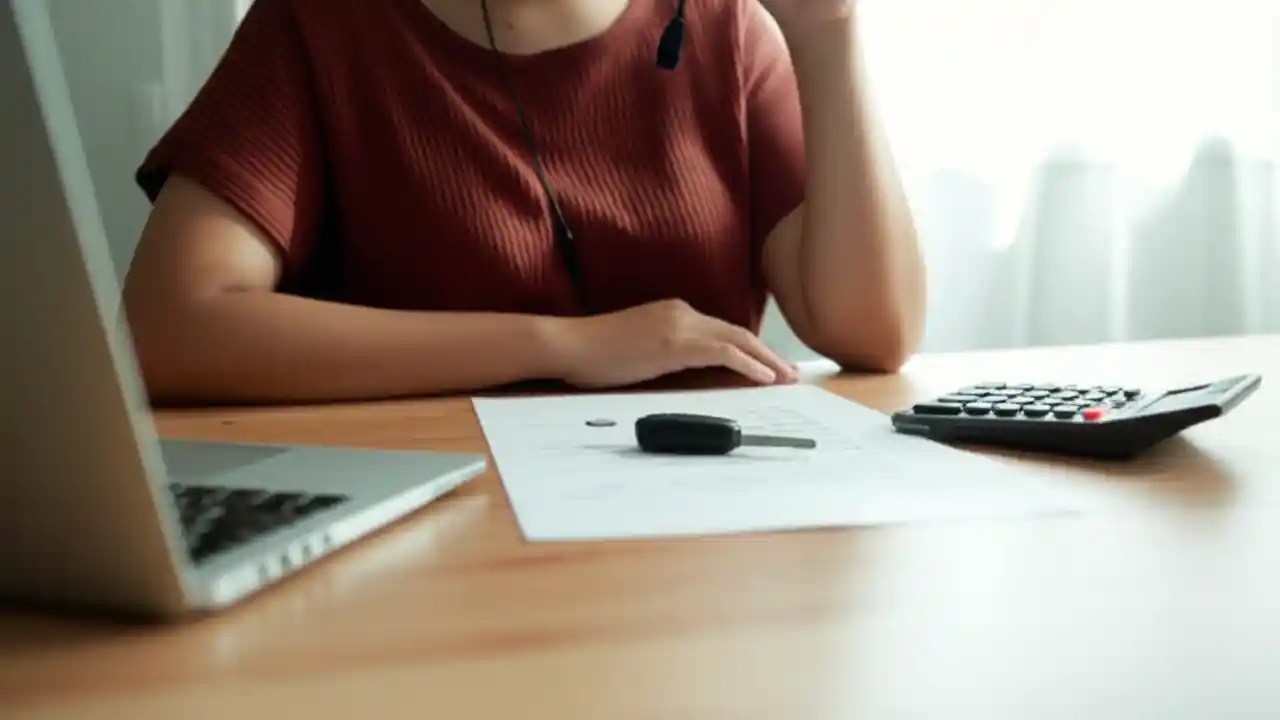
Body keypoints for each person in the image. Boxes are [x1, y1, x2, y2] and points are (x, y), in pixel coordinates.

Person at [123, 0, 925, 405]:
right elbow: (168, 327)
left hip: (693, 554)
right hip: (428, 553)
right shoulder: (325, 22)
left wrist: (828, 30)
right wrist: (562, 347)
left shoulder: (724, 27)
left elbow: (873, 333)